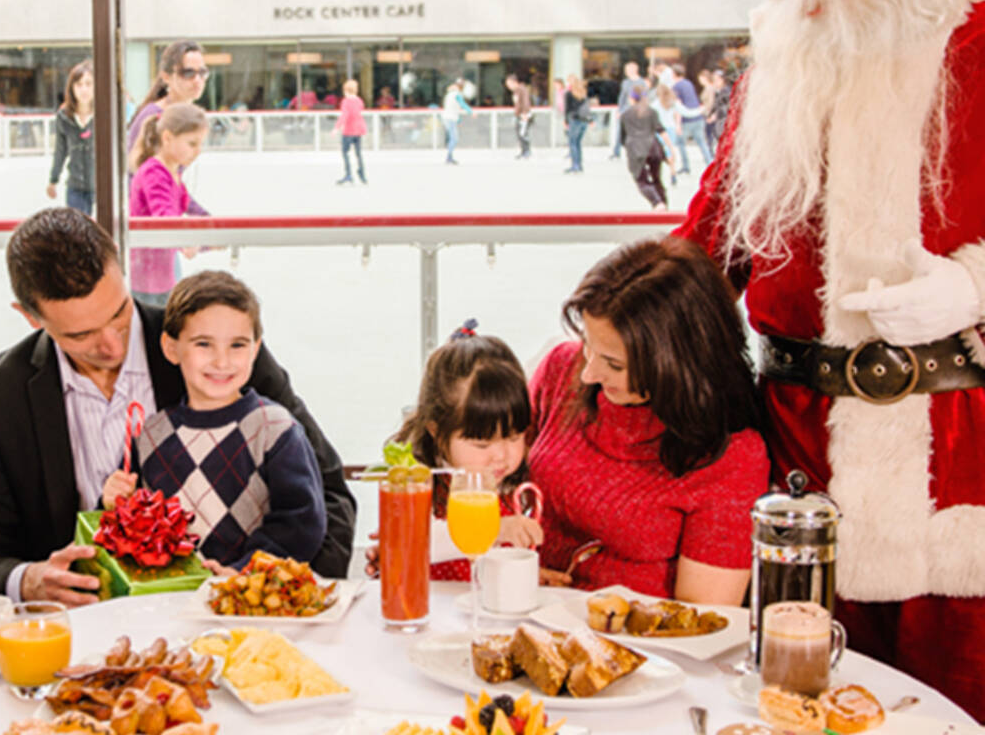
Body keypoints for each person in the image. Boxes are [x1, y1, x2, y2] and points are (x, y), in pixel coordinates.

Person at [676, 0, 985, 720]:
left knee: (957, 727)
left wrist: (972, 289)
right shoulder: (782, 67)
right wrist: (609, 330)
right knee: (793, 716)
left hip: (960, 457)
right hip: (795, 455)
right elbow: (709, 241)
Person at [0, 207, 356, 602]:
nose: (112, 346)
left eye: (119, 314)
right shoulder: (0, 391)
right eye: (81, 335)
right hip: (76, 632)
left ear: (120, 263)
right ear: (30, 317)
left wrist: (285, 599)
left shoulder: (211, 349)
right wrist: (30, 579)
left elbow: (329, 495)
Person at [529, 237, 769, 602]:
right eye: (588, 346)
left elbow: (704, 621)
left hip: (638, 648)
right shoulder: (563, 367)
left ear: (677, 362)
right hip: (526, 615)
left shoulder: (731, 455)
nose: (589, 374)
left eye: (614, 364)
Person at [100, 271, 326, 567]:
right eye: (203, 344)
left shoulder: (274, 429)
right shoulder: (150, 436)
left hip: (248, 603)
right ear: (171, 348)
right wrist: (109, 502)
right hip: (170, 601)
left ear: (256, 349)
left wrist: (241, 572)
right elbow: (129, 530)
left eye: (237, 345)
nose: (222, 361)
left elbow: (301, 523)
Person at [367, 322, 546, 584]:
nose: (500, 455)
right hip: (432, 612)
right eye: (482, 444)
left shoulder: (512, 487)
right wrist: (495, 529)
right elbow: (411, 541)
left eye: (514, 437)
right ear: (438, 434)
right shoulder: (420, 481)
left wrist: (530, 575)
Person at [128, 102, 208, 308]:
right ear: (167, 138)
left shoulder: (172, 171)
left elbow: (187, 205)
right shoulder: (154, 173)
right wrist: (189, 242)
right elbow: (165, 217)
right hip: (147, 277)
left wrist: (210, 230)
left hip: (162, 273)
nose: (198, 151)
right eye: (192, 144)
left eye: (201, 144)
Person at [127, 40, 208, 161]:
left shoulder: (188, 115)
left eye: (202, 72)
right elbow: (138, 171)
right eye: (188, 73)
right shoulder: (153, 114)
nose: (197, 80)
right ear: (166, 77)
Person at [47, 60, 94, 214]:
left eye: (88, 84)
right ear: (72, 88)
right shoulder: (64, 117)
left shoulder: (103, 114)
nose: (84, 89)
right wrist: (53, 180)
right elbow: (60, 151)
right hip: (75, 189)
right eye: (79, 84)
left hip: (100, 189)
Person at [619, 87, 668, 209]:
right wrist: (669, 151)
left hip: (635, 149)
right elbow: (661, 130)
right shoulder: (652, 112)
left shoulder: (625, 115)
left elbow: (622, 137)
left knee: (641, 179)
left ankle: (657, 202)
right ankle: (664, 203)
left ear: (632, 98)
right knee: (657, 178)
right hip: (653, 147)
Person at [670, 62, 713, 168]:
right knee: (702, 142)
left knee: (680, 143)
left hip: (687, 120)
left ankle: (685, 166)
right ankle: (709, 163)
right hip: (698, 117)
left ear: (674, 74)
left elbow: (678, 107)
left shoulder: (676, 86)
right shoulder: (688, 83)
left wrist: (678, 124)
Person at [333, 78, 367, 184]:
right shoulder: (359, 101)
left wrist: (336, 128)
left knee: (345, 152)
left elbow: (345, 116)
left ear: (346, 90)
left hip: (348, 131)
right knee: (358, 153)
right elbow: (360, 114)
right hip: (358, 131)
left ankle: (348, 175)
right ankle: (362, 174)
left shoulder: (346, 102)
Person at [561, 73, 593, 174]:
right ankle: (579, 165)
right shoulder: (583, 94)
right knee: (578, 143)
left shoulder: (569, 94)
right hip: (583, 120)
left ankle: (575, 165)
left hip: (574, 120)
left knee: (572, 143)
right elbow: (587, 109)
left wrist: (566, 121)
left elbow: (567, 109)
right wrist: (590, 120)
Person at [441, 78, 471, 166]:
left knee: (452, 138)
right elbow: (462, 104)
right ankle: (449, 157)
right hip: (450, 118)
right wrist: (470, 111)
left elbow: (453, 107)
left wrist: (458, 118)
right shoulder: (456, 94)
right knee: (454, 138)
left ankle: (449, 156)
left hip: (449, 118)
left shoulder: (450, 94)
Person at [505, 72, 532, 159]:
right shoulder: (516, 91)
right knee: (519, 133)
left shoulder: (522, 89)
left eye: (509, 84)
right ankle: (523, 150)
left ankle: (527, 151)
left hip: (523, 114)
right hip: (519, 114)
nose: (508, 86)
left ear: (514, 82)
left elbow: (525, 101)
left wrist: (525, 113)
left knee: (523, 133)